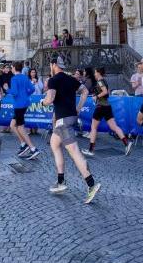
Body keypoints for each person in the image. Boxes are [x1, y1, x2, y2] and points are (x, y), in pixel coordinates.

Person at [42, 57, 101, 203]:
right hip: (70, 118)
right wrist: (78, 109)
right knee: (54, 144)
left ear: (54, 65)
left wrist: (42, 102)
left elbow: (49, 99)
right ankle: (61, 181)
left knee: (74, 152)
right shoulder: (71, 79)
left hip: (63, 121)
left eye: (51, 65)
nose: (50, 67)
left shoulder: (53, 80)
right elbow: (85, 91)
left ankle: (91, 184)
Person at [85, 67, 132, 157]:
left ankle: (91, 150)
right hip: (107, 106)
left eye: (95, 73)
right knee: (114, 126)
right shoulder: (104, 81)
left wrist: (96, 97)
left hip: (100, 107)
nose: (94, 74)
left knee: (93, 127)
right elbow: (108, 92)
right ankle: (126, 143)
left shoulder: (100, 81)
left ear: (98, 73)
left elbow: (105, 92)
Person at [8, 61, 40, 159]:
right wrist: (26, 95)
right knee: (12, 125)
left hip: (19, 105)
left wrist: (6, 89)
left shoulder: (14, 78)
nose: (11, 69)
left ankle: (33, 148)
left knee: (20, 127)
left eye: (11, 67)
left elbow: (14, 92)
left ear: (14, 68)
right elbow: (32, 89)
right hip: (25, 103)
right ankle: (23, 144)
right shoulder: (25, 77)